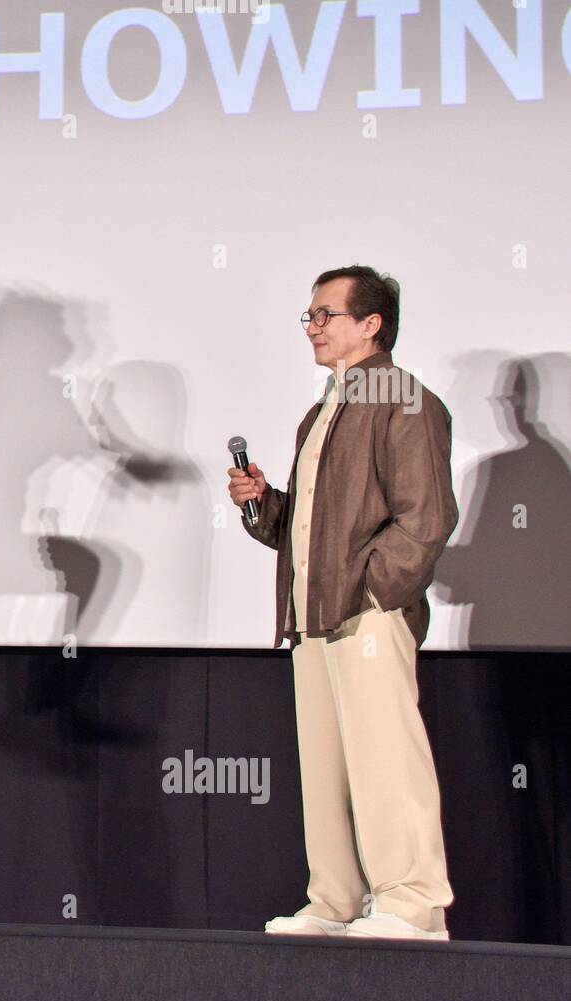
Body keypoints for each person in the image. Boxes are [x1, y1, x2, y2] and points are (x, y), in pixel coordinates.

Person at [228, 265, 458, 941]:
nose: (313, 327)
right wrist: (263, 504)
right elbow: (309, 528)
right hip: (314, 615)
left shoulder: (404, 400)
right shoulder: (323, 410)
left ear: (371, 324)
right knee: (326, 768)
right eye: (310, 316)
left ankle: (413, 905)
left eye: (325, 315)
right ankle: (336, 900)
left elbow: (427, 519)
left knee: (387, 758)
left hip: (367, 613)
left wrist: (374, 590)